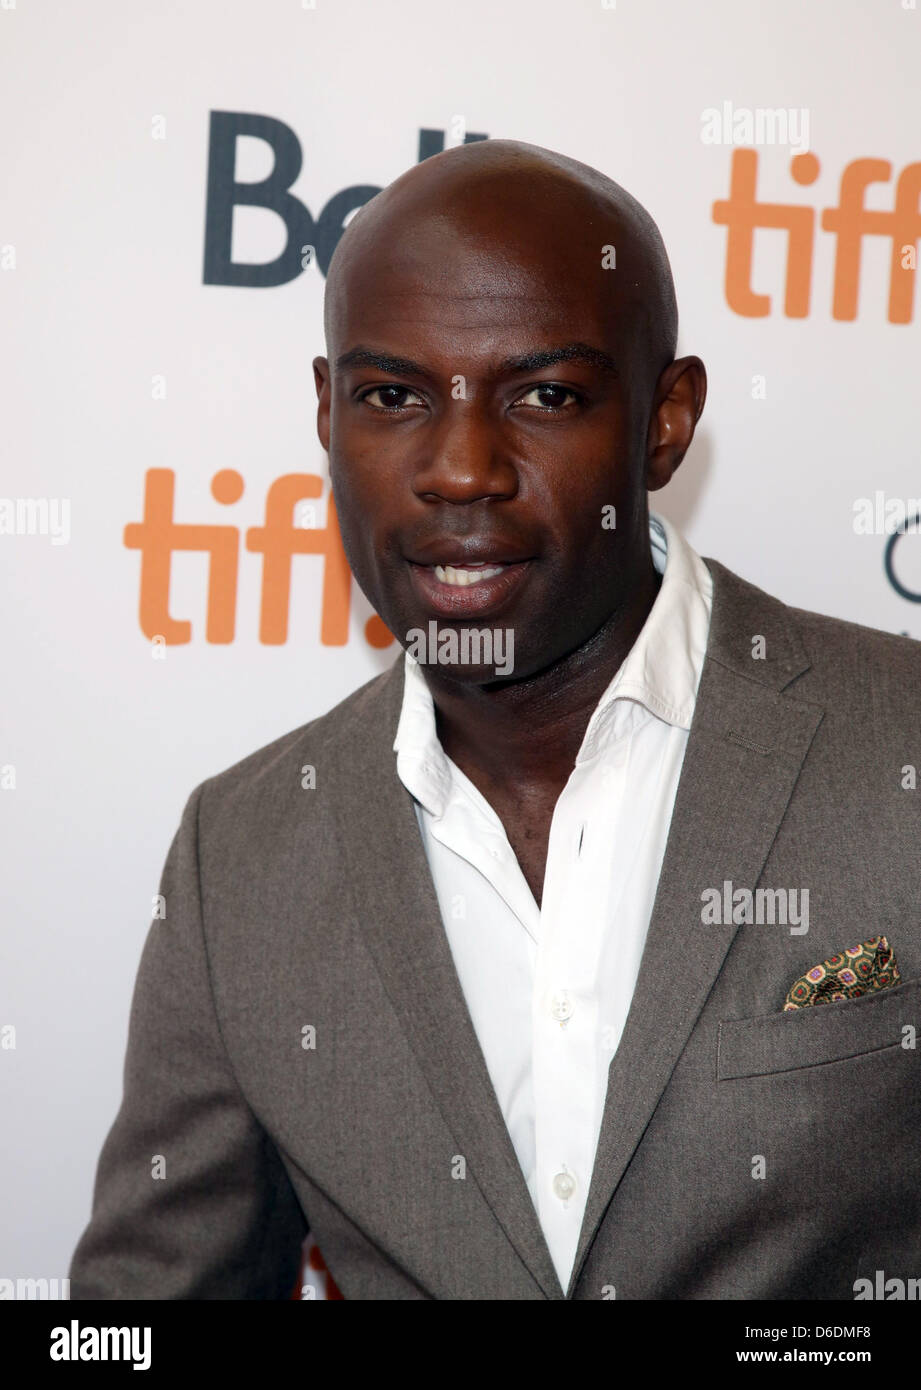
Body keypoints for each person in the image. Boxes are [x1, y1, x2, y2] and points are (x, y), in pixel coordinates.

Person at [70, 139, 921, 1300]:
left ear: (664, 422)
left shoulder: (898, 744)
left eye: (545, 396)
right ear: (327, 416)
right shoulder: (242, 856)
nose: (461, 470)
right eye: (392, 396)